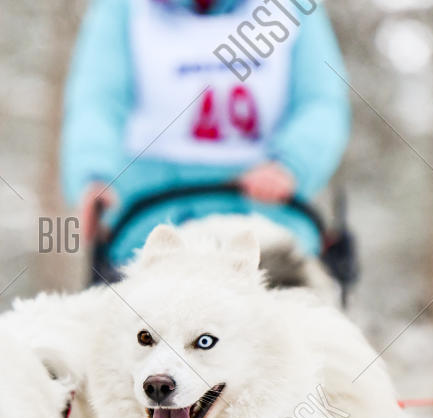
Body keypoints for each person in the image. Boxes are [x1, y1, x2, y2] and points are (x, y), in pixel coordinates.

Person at [61, 0, 351, 270]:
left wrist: (290, 165)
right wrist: (93, 176)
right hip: (148, 216)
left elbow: (320, 101)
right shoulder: (123, 8)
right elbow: (97, 102)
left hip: (267, 213)